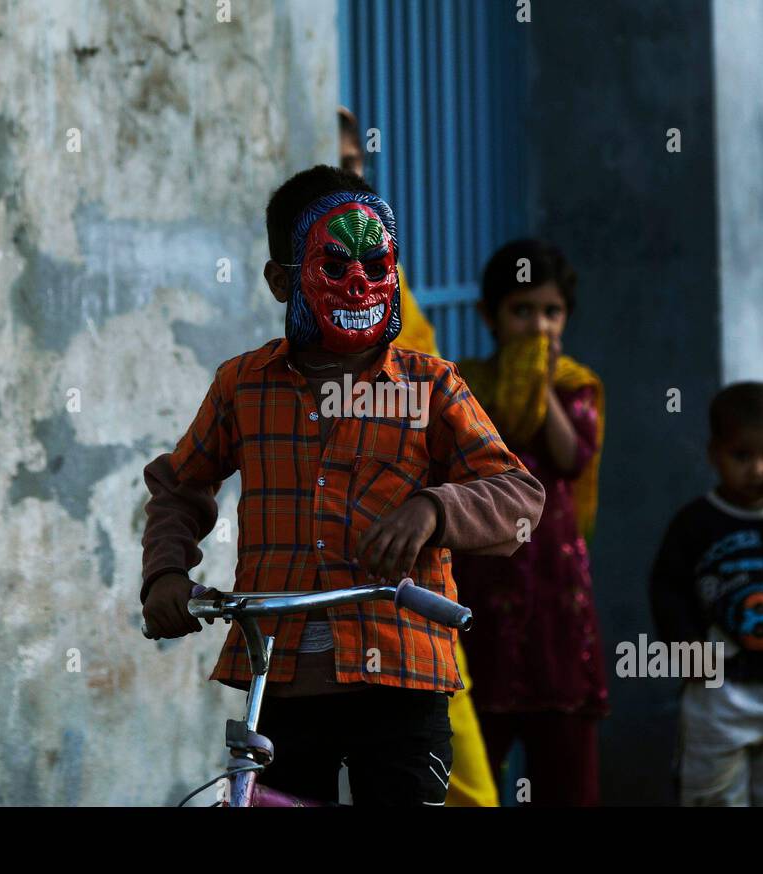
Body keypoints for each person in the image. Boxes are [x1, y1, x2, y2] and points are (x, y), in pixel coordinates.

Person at [139, 165, 545, 806]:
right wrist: (165, 574)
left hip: (404, 683)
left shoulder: (430, 387)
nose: (359, 284)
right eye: (333, 266)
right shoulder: (242, 387)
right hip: (283, 687)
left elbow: (518, 496)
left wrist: (434, 510)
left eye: (376, 263)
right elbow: (180, 488)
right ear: (280, 281)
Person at [338, 104, 499, 809]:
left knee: (448, 769)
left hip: (399, 563)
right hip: (306, 572)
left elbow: (485, 465)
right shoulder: (288, 308)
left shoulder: (383, 281)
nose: (348, 186)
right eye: (333, 168)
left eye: (356, 170)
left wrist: (429, 504)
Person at [453, 239, 611, 807]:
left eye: (551, 312)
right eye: (522, 311)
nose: (538, 325)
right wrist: (512, 386)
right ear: (490, 317)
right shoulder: (465, 386)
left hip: (555, 597)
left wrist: (538, 385)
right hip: (486, 589)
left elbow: (573, 458)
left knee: (567, 768)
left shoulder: (575, 387)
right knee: (474, 756)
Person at [649, 382, 763, 806]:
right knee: (712, 796)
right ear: (716, 454)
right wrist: (687, 650)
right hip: (718, 690)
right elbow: (667, 590)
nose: (758, 470)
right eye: (742, 456)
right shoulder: (696, 523)